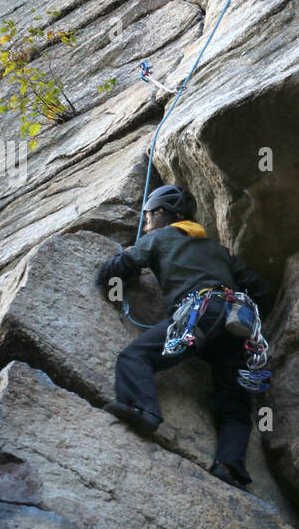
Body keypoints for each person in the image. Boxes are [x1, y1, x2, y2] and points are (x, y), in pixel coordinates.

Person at [95, 184, 271, 491]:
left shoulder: (160, 237)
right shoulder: (219, 251)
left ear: (161, 213)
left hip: (197, 314)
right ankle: (229, 467)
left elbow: (111, 273)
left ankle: (142, 410)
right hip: (235, 325)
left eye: (148, 216)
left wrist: (122, 259)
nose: (146, 223)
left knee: (135, 356)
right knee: (233, 403)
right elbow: (259, 290)